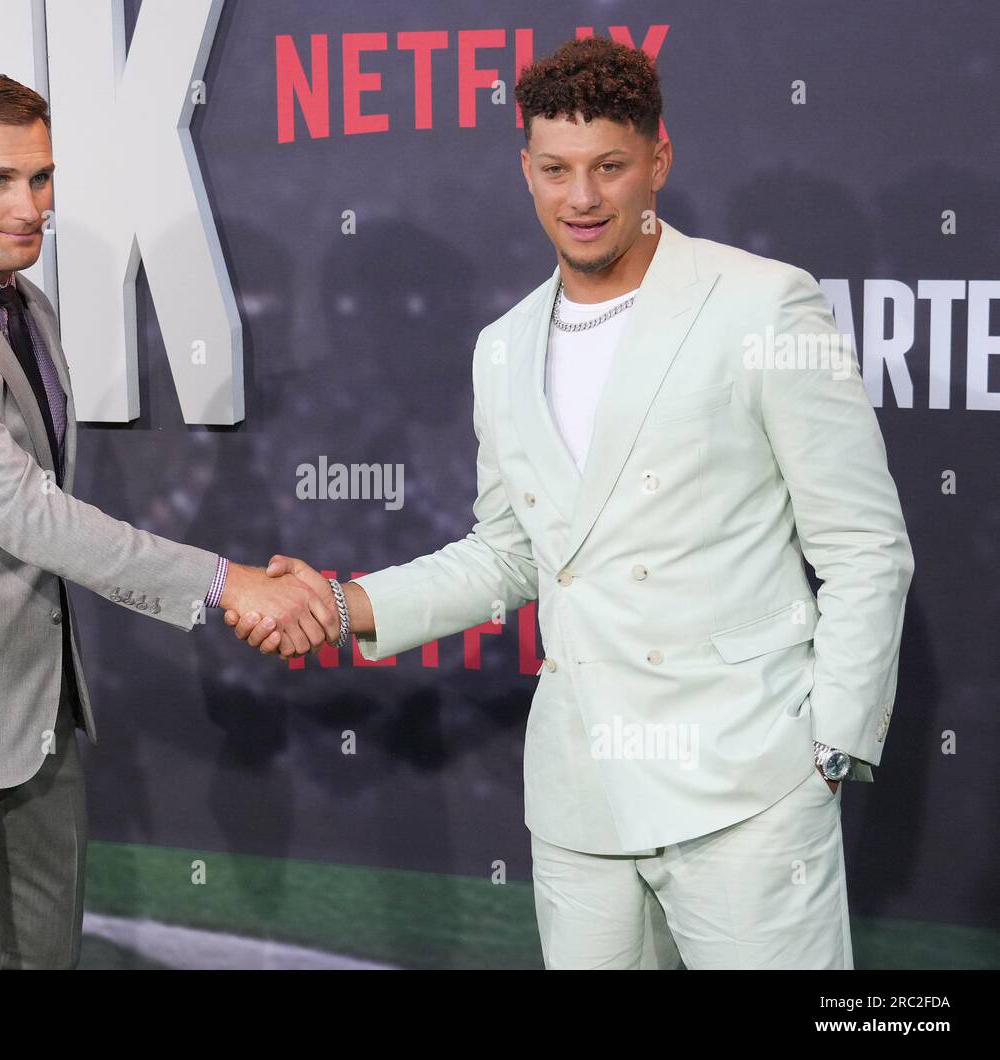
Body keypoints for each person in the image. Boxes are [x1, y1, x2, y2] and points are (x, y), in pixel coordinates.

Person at [228, 38, 913, 969]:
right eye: (556, 170)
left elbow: (867, 543)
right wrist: (345, 606)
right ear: (527, 171)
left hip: (748, 789)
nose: (581, 198)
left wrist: (830, 747)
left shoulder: (761, 306)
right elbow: (509, 553)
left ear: (657, 161)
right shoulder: (502, 346)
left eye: (608, 168)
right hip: (579, 797)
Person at [0, 72, 337, 969]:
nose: (31, 205)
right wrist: (229, 583)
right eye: (0, 179)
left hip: (34, 719)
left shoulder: (27, 307)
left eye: (42, 178)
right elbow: (30, 515)